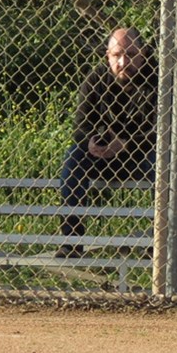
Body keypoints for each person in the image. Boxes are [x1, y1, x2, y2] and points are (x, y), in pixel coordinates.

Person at [56, 28, 157, 258]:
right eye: (117, 55)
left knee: (161, 163)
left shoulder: (156, 79)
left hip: (139, 154)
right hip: (100, 155)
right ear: (107, 55)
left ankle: (156, 242)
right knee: (74, 158)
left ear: (143, 53)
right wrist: (91, 141)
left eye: (131, 54)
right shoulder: (96, 78)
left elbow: (160, 132)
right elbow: (80, 126)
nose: (124, 62)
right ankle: (72, 242)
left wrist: (126, 144)